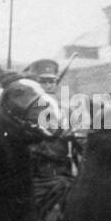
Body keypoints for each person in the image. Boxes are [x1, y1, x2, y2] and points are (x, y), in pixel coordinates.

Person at [23, 58, 77, 203]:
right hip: (34, 177)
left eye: (51, 81)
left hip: (62, 174)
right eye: (43, 82)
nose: (48, 86)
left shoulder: (66, 111)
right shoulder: (25, 111)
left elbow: (80, 146)